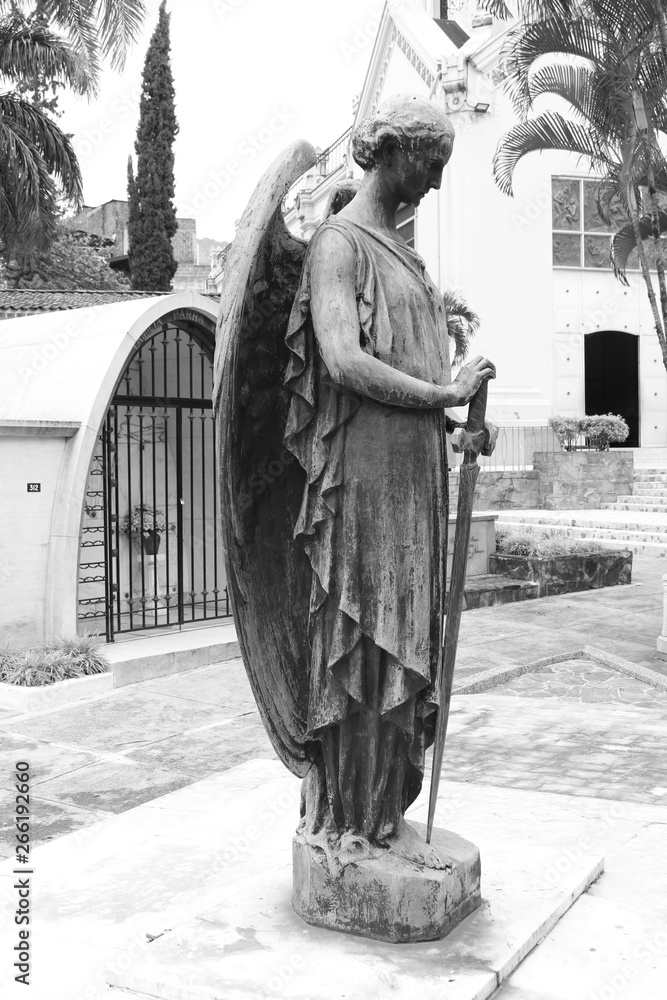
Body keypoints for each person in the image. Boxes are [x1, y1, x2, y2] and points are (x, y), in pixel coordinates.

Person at [283, 94, 496, 869]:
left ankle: (385, 818)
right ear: (396, 152)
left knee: (406, 638)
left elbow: (407, 371)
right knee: (371, 641)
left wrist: (455, 424)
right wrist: (442, 394)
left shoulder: (405, 253)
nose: (435, 184)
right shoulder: (337, 244)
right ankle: (354, 823)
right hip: (362, 485)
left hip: (410, 475)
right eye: (431, 165)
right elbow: (342, 362)